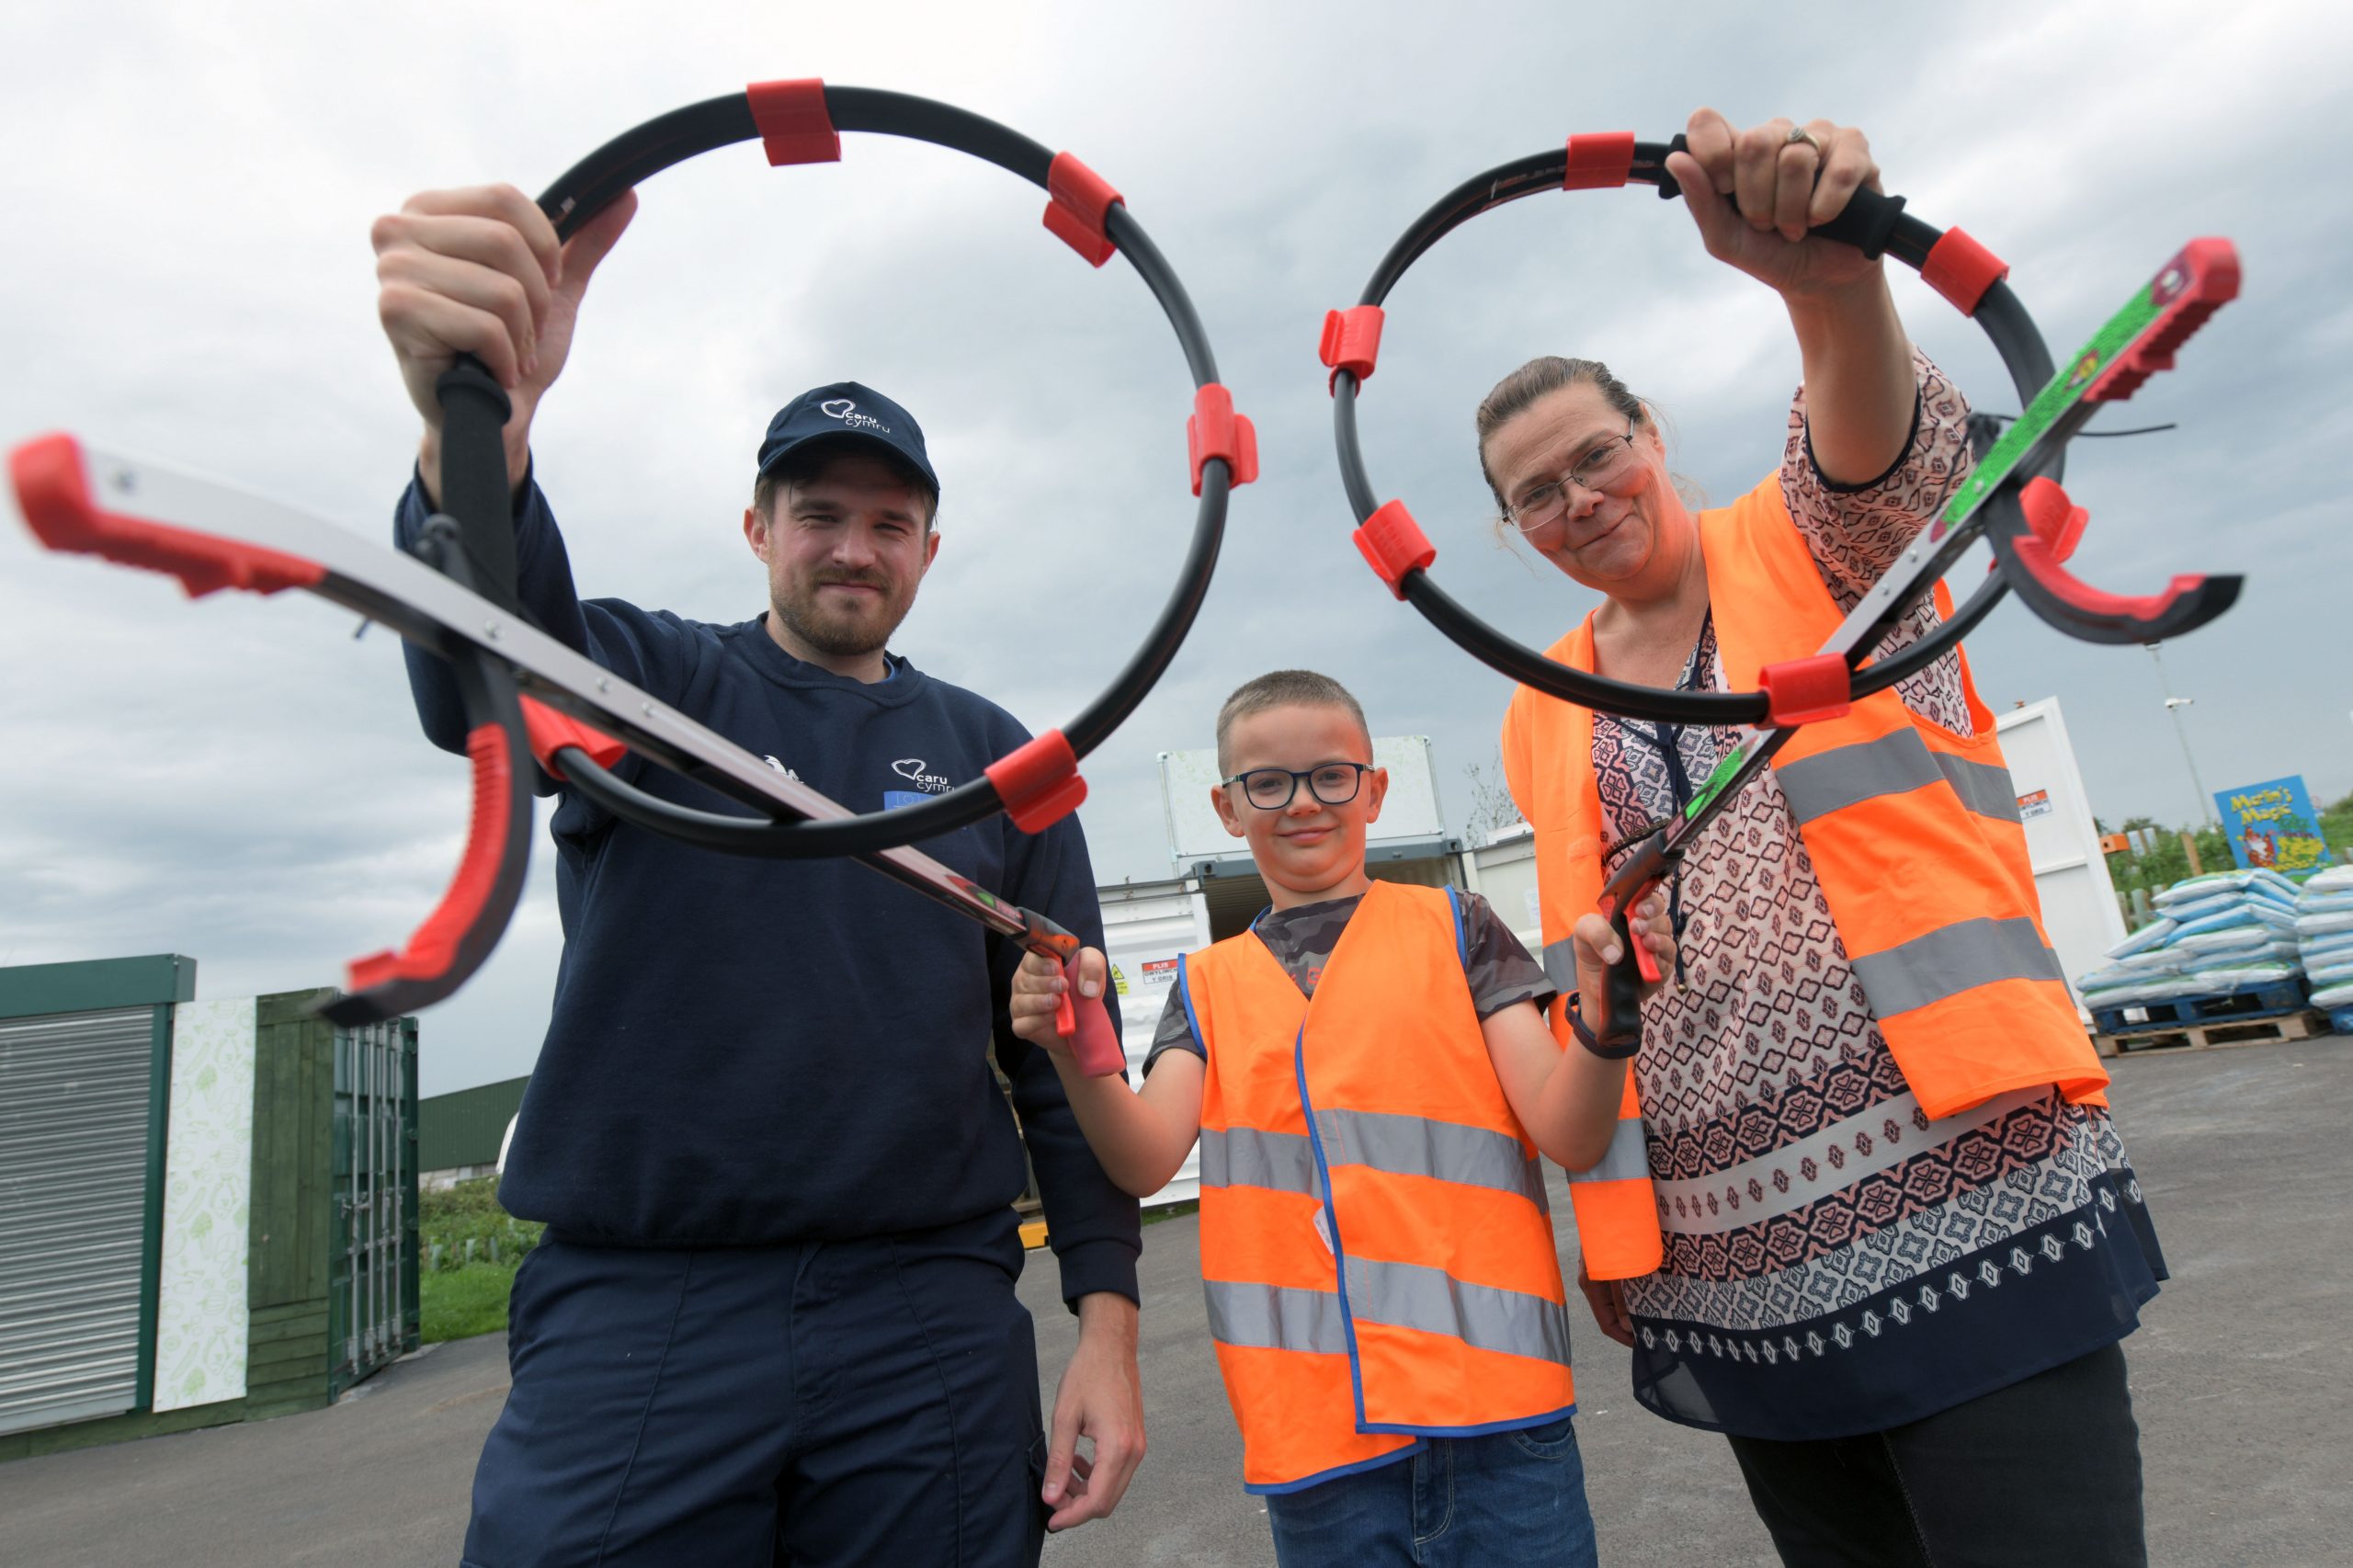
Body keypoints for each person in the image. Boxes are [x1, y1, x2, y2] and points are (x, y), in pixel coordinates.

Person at [372, 182, 1143, 1565]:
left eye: (889, 523)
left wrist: (1108, 1318)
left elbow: (1061, 1055)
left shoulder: (996, 757)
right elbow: (478, 679)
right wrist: (477, 431)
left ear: (929, 549)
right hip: (643, 1307)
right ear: (757, 526)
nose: (854, 546)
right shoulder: (657, 681)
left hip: (929, 1307)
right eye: (819, 512)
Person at [1484, 111, 2165, 1566]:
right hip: (1732, 1269)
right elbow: (1587, 980)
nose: (1579, 500)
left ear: (1655, 434)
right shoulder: (1539, 706)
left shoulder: (1814, 546)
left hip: (1972, 1195)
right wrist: (1627, 1230)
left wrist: (1831, 285)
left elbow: (1873, 454)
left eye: (1597, 454)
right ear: (1509, 528)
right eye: (1535, 493)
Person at [1006, 669, 1675, 1566]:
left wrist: (1602, 1022)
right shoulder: (1204, 988)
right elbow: (1144, 1156)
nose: (1302, 801)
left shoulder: (1460, 926)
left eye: (1331, 774)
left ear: (1374, 786)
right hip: (1316, 1445)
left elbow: (1569, 1129)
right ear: (1226, 806)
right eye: (1267, 782)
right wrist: (1074, 1052)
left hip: (1498, 1415)